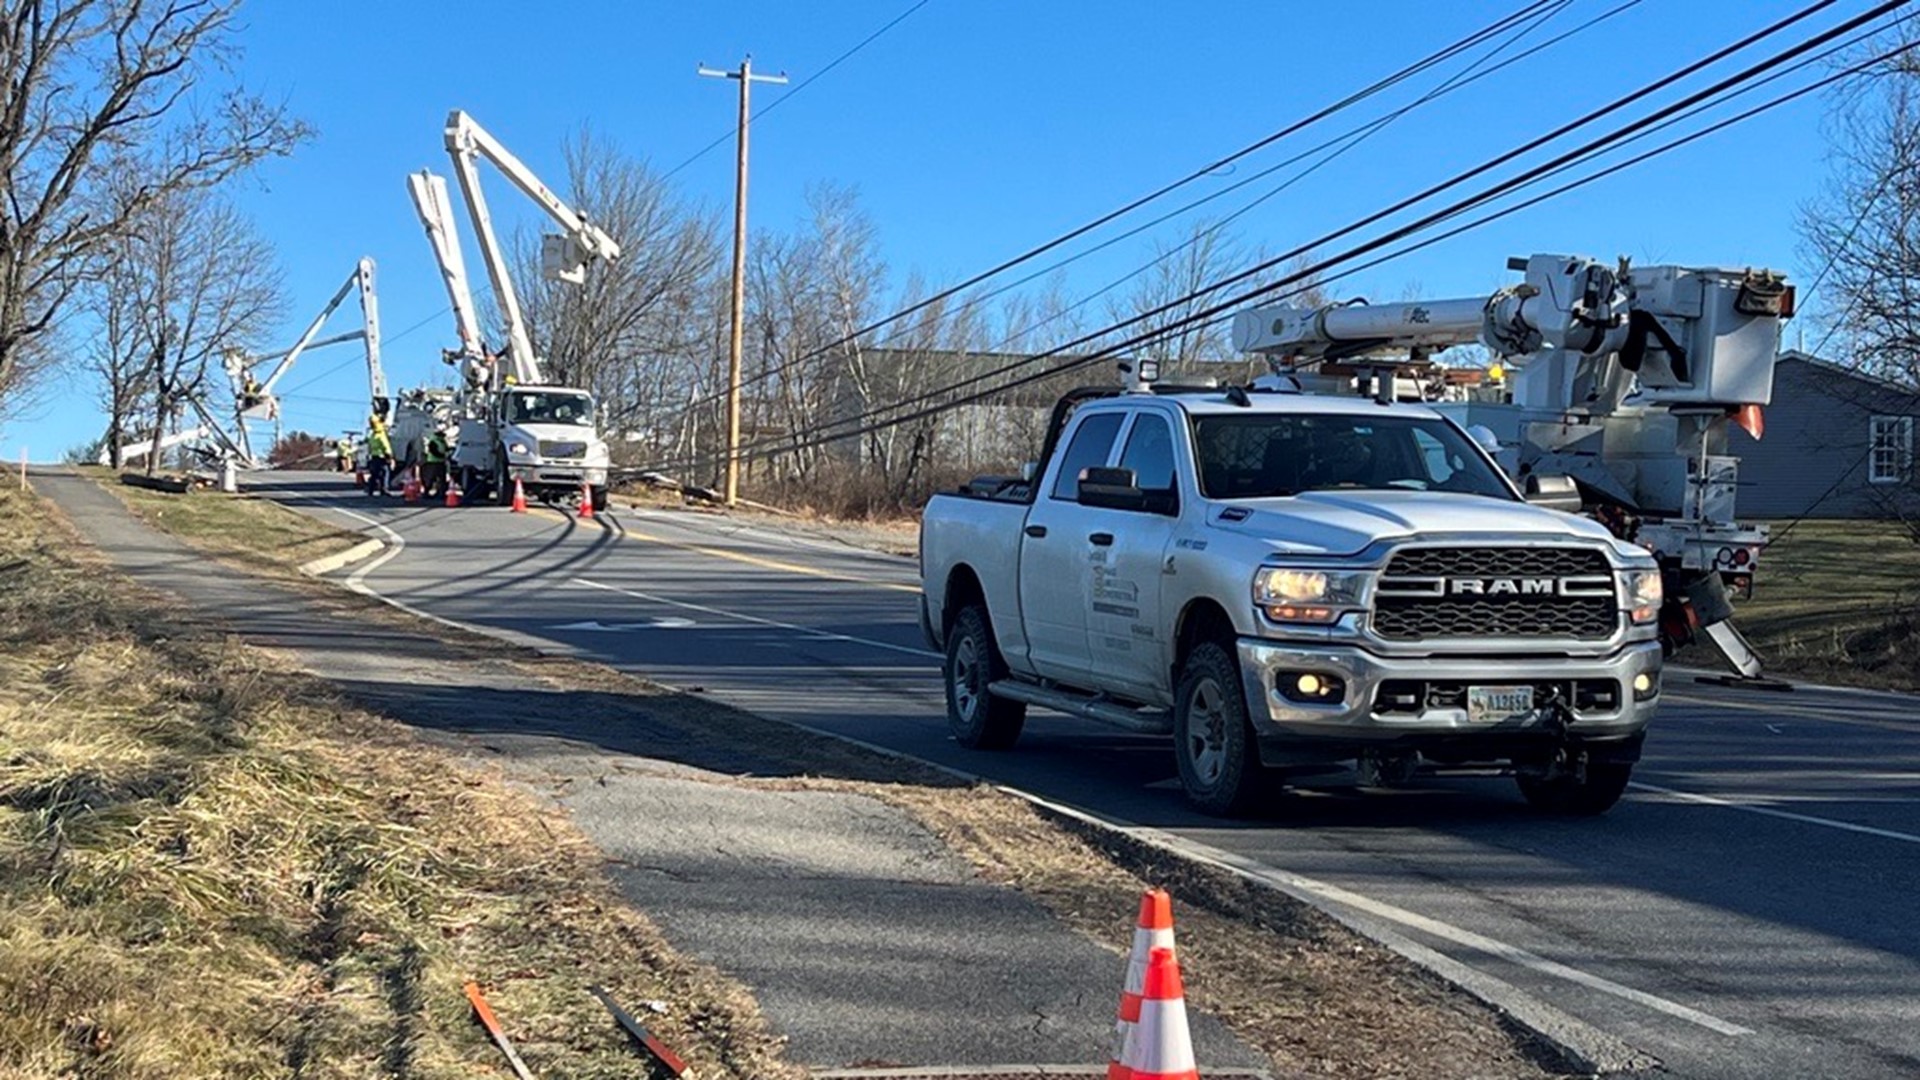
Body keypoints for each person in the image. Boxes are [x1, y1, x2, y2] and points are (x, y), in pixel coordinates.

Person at [364, 420, 393, 497]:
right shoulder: (381, 435)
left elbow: (369, 447)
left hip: (374, 457)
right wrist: (389, 456)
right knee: (385, 473)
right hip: (382, 457)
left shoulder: (372, 436)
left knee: (374, 474)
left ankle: (371, 489)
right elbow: (386, 446)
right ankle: (384, 489)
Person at [421, 426, 451, 499]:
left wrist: (448, 452)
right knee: (430, 479)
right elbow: (433, 451)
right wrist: (443, 455)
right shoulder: (433, 441)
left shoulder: (442, 441)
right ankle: (426, 493)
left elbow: (446, 449)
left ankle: (441, 493)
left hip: (441, 463)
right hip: (432, 462)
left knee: (441, 479)